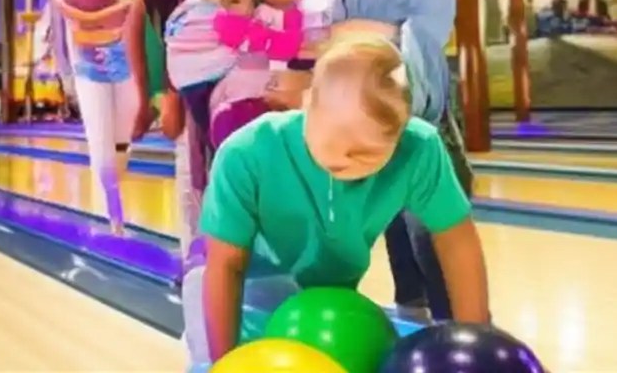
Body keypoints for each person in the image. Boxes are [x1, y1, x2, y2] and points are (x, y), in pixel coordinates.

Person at [184, 35, 490, 366]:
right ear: (308, 102)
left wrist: (476, 345)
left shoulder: (418, 149)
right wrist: (225, 362)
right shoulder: (247, 153)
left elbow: (458, 242)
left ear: (399, 135)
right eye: (333, 137)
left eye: (367, 153)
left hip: (328, 294)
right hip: (240, 285)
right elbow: (226, 265)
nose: (344, 158)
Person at [315, 0, 474, 321]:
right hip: (367, 97)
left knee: (428, 213)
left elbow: (436, 13)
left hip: (414, 91)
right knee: (388, 209)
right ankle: (414, 309)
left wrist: (370, 32)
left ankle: (455, 324)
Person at [126, 0, 252, 257]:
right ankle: (197, 274)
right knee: (192, 179)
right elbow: (155, 19)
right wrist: (160, 95)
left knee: (246, 181)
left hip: (249, 75)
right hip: (193, 79)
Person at [50, 0, 137, 235]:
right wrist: (67, 79)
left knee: (123, 142)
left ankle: (116, 187)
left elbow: (133, 13)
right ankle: (112, 211)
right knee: (101, 145)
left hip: (124, 68)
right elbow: (60, 36)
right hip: (89, 72)